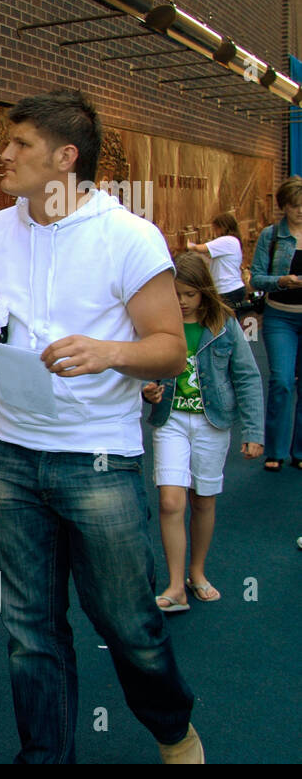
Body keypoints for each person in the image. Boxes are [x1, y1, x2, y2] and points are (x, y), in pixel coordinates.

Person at [0, 90, 202, 764]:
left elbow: (171, 347)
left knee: (127, 623)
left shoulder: (129, 236)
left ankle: (174, 729)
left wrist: (110, 351)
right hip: (9, 457)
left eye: (21, 144)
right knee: (30, 628)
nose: (3, 155)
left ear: (66, 157)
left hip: (99, 460)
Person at [143, 253, 263, 612]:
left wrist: (253, 430)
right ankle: (176, 585)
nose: (181, 301)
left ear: (204, 293)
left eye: (190, 294)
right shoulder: (159, 324)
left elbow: (246, 376)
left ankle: (197, 572)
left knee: (203, 499)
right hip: (172, 420)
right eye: (175, 293)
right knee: (169, 501)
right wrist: (147, 388)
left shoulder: (224, 323)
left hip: (213, 421)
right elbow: (142, 368)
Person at [250, 176, 302, 472]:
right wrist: (280, 281)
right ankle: (275, 450)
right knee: (281, 380)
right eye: (295, 207)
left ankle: (300, 450)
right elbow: (256, 278)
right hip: (279, 315)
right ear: (284, 207)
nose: (300, 212)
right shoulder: (271, 236)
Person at [188, 212, 246, 308]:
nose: (215, 232)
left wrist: (189, 245)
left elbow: (200, 248)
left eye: (216, 229)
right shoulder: (232, 242)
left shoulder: (227, 240)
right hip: (231, 288)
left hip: (227, 289)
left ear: (223, 227)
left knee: (223, 321)